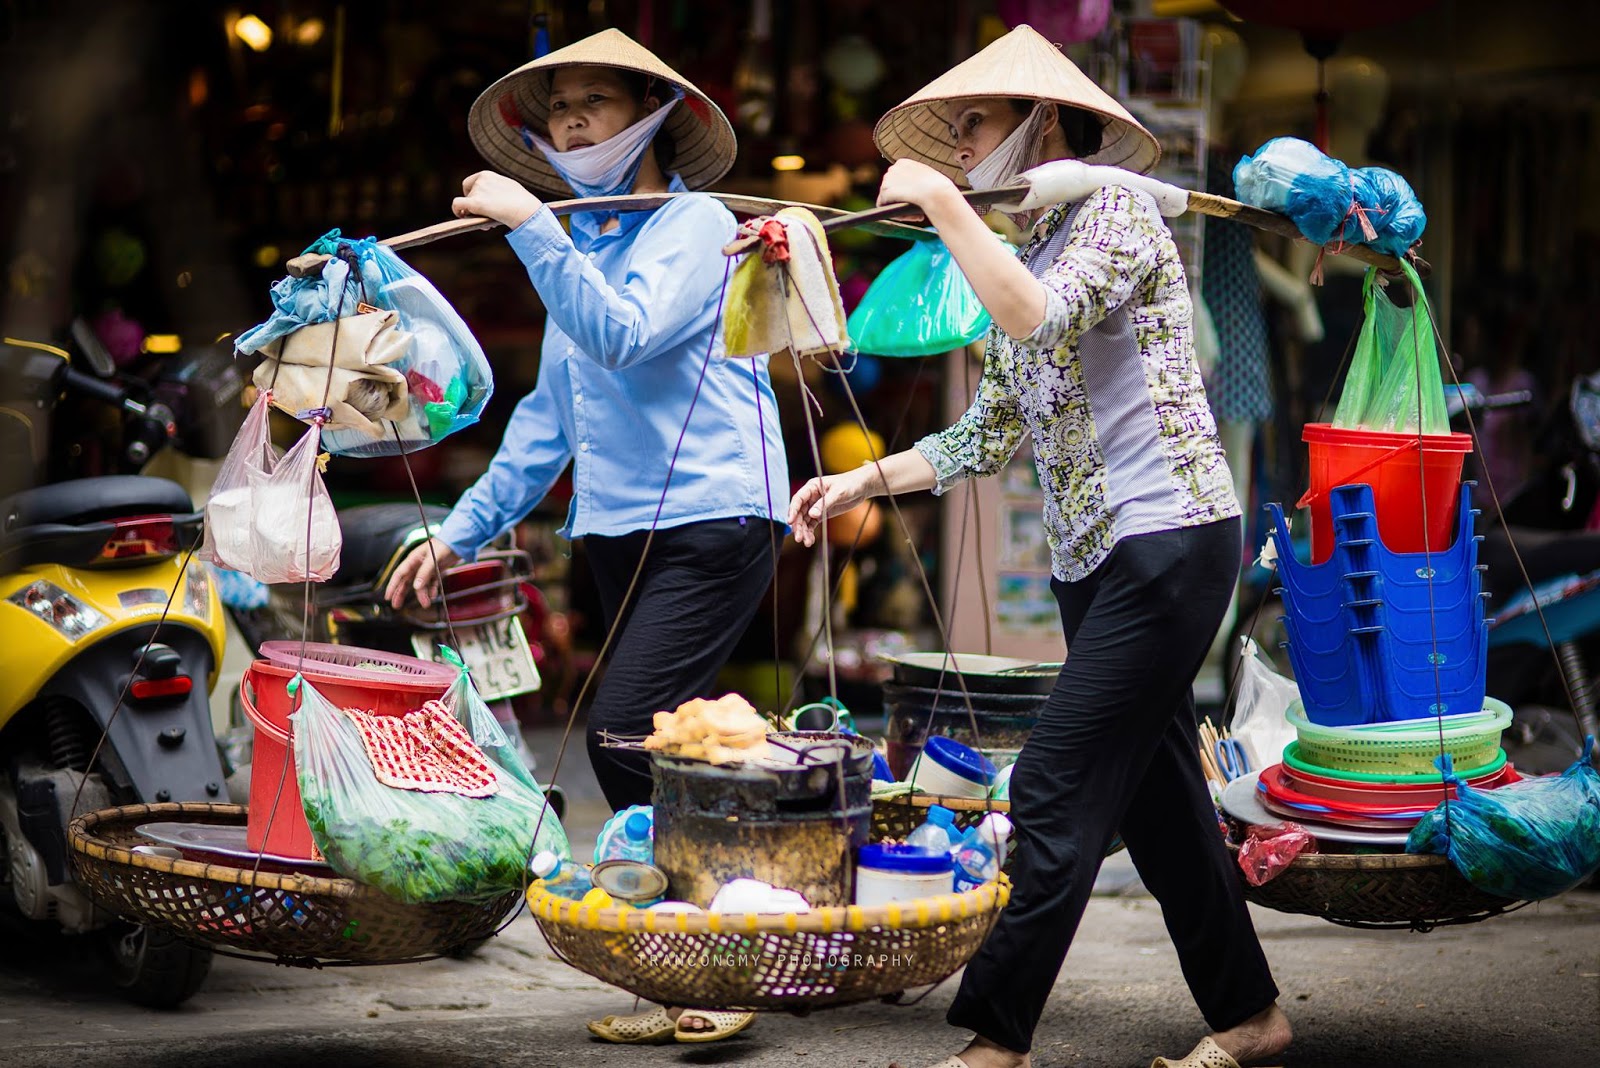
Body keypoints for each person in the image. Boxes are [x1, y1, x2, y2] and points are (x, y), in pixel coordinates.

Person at [790, 26, 1290, 1068]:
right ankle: (1251, 1016)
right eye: (956, 133)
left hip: (1169, 542)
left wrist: (942, 204)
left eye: (977, 124)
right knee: (1159, 803)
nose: (963, 145)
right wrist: (860, 480)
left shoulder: (1115, 212)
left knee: (1053, 785)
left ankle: (995, 1038)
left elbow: (1038, 315)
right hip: (1094, 565)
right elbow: (985, 435)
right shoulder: (1027, 248)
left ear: (1044, 122)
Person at [385, 29, 785, 1045]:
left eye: (592, 103)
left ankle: (719, 950)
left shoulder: (694, 225)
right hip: (617, 529)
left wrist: (529, 228)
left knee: (620, 732)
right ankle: (695, 958)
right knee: (674, 748)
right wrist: (462, 533)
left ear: (652, 115)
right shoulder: (584, 247)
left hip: (713, 516)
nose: (568, 124)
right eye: (556, 109)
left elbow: (622, 333)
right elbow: (547, 423)